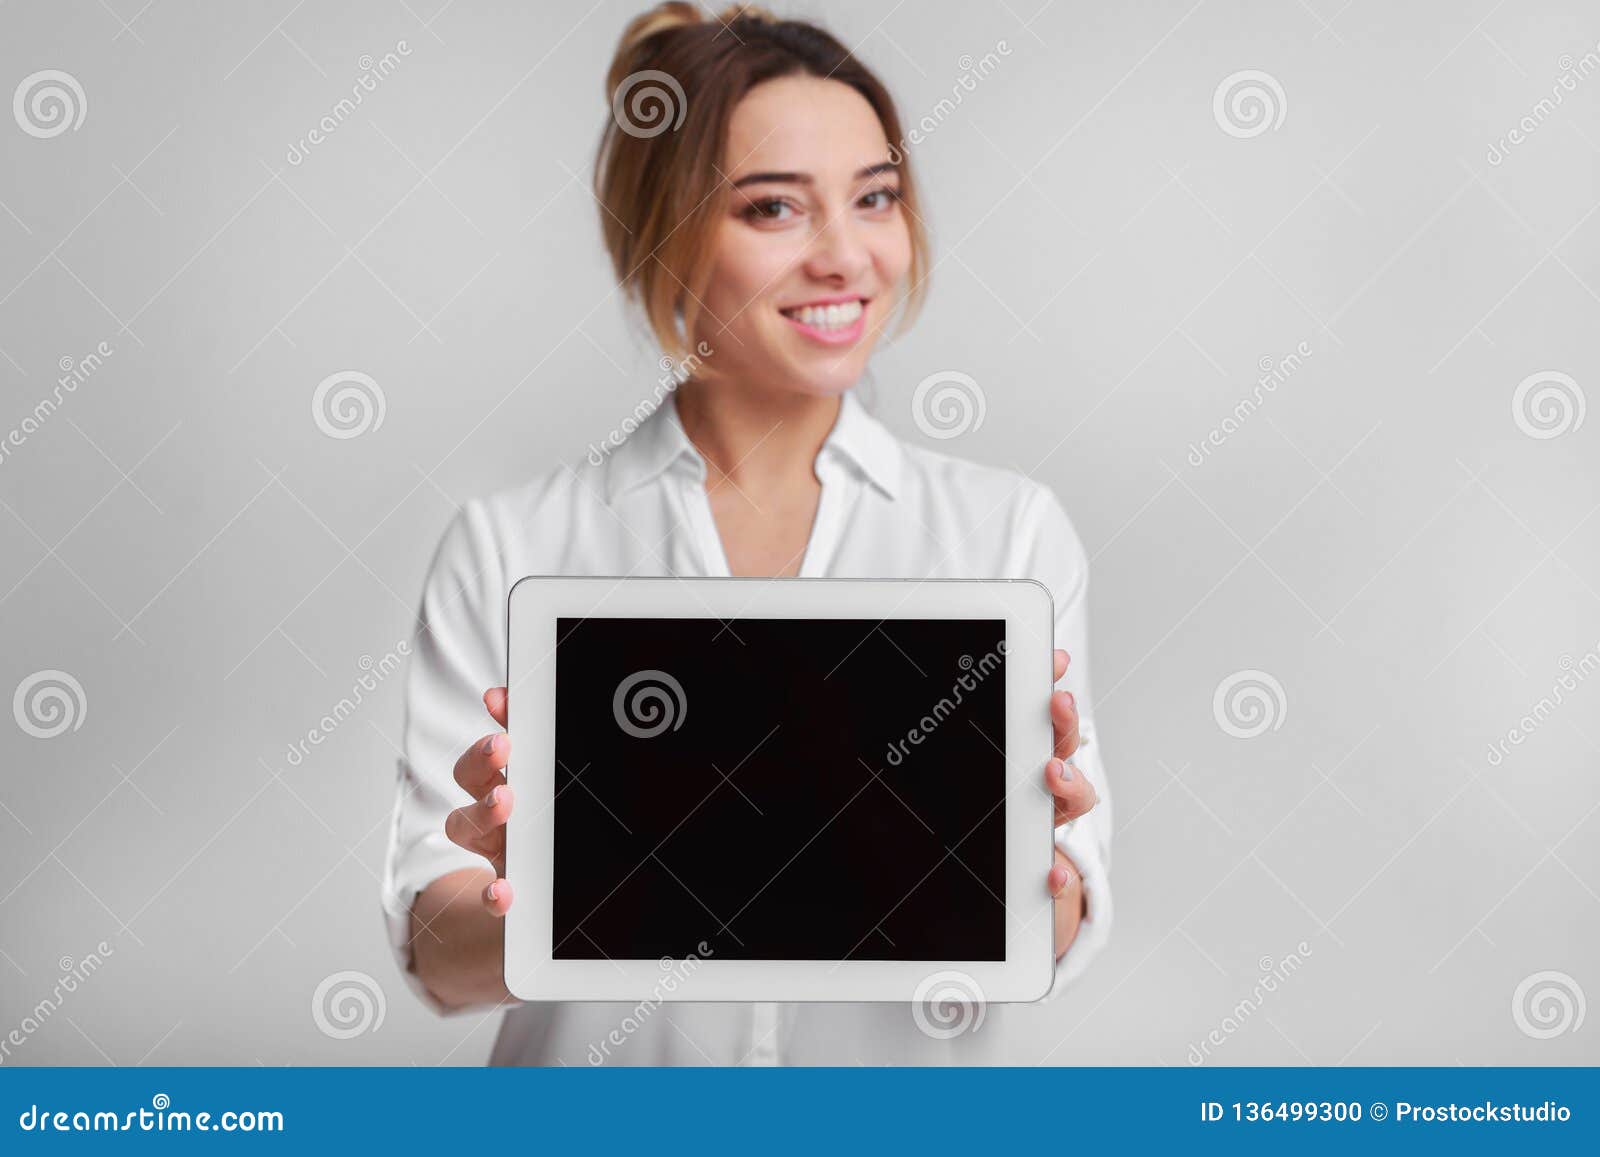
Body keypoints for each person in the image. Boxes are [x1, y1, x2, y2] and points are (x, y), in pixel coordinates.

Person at [381, 1, 1112, 1065]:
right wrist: (549, 907)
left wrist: (1024, 875)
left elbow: (1054, 929)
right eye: (773, 209)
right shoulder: (512, 543)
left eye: (876, 198)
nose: (845, 255)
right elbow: (436, 944)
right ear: (664, 232)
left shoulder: (1003, 533)